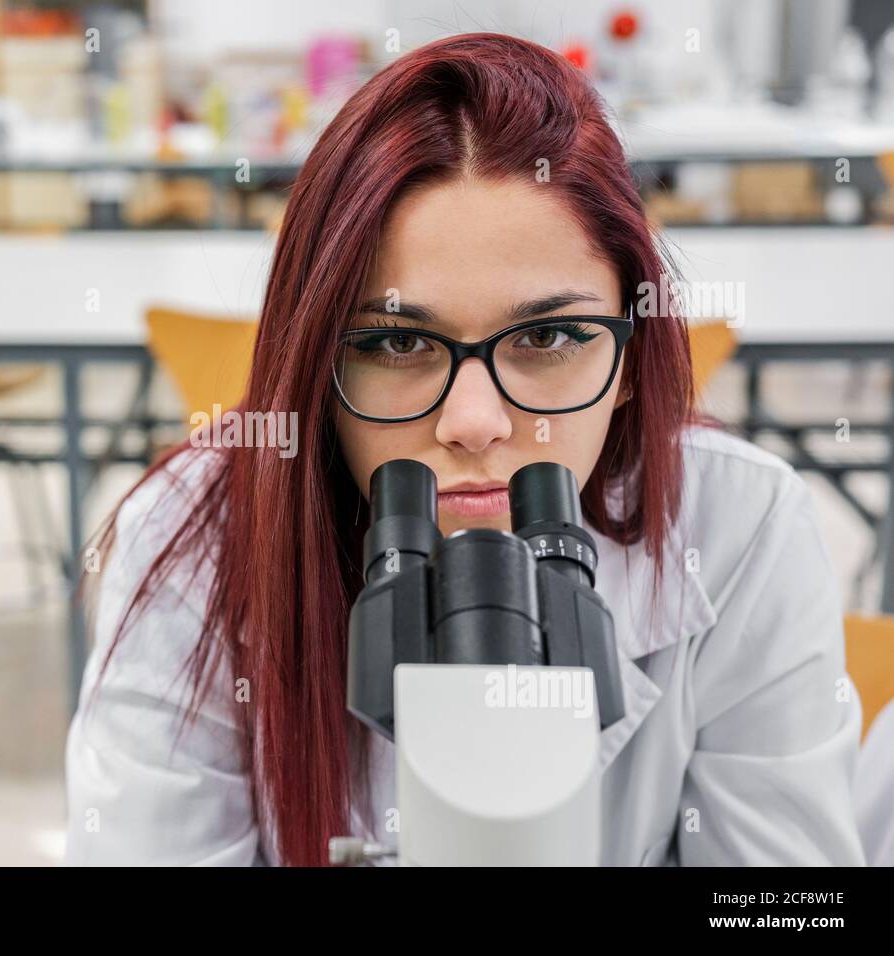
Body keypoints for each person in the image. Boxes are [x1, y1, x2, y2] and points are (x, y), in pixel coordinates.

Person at [64, 33, 866, 866]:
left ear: (632, 360)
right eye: (398, 345)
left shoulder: (740, 526)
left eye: (550, 335)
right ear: (313, 366)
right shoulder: (192, 537)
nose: (473, 421)